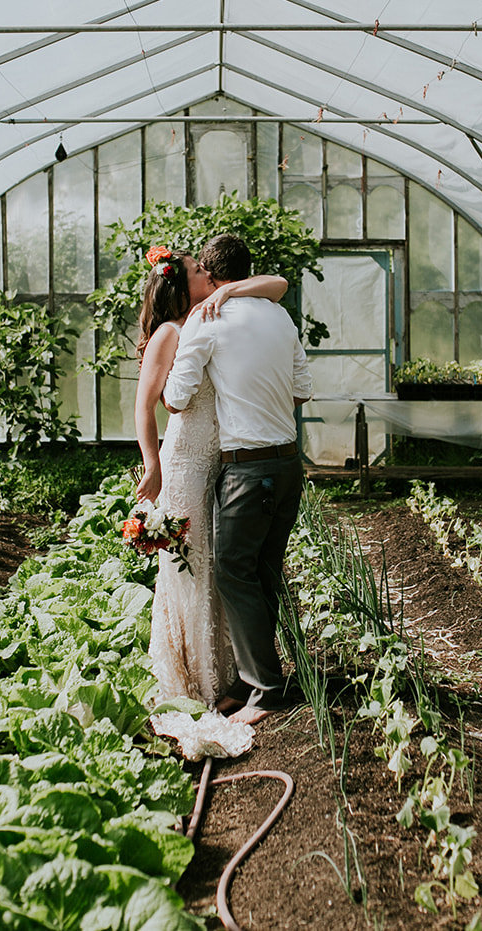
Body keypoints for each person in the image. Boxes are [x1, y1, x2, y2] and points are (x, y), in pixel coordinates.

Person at [133, 246, 288, 725]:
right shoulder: (170, 332)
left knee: (218, 568)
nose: (209, 274)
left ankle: (227, 677)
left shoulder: (216, 313)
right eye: (200, 271)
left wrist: (233, 289)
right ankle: (195, 679)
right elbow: (148, 406)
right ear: (182, 286)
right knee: (192, 569)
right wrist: (152, 465)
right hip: (185, 462)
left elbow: (277, 284)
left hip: (220, 461)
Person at [163, 233, 313, 727]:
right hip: (288, 463)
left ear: (210, 273)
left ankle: (266, 690)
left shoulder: (207, 321)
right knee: (265, 570)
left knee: (231, 569)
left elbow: (178, 399)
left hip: (246, 469)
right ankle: (265, 676)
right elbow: (302, 391)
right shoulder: (280, 315)